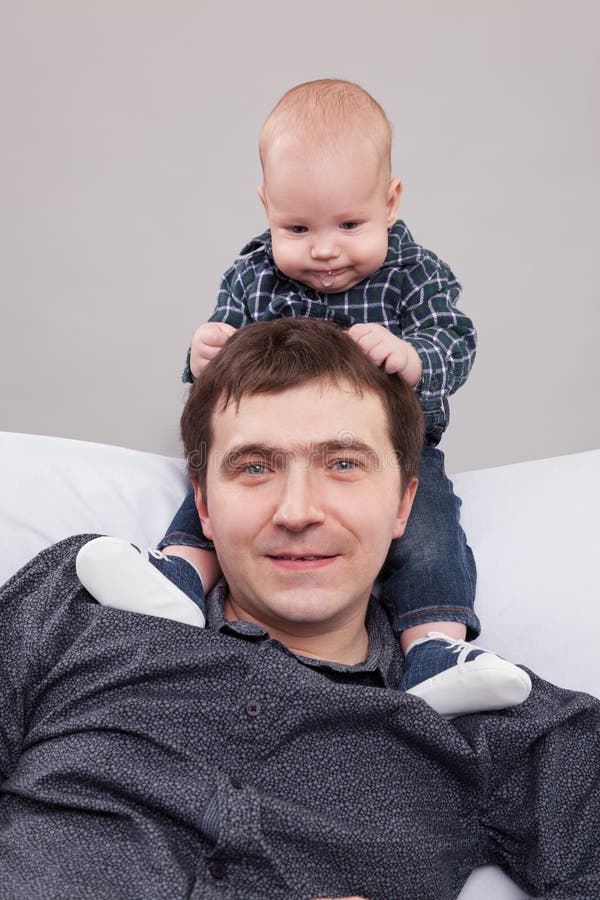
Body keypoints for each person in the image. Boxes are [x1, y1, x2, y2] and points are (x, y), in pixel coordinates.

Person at [2, 319, 599, 899]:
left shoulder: (493, 715)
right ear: (204, 506)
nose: (297, 512)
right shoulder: (82, 603)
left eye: (343, 464)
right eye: (255, 467)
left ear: (403, 505)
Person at [76, 78, 531, 718]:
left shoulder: (414, 273)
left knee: (429, 535)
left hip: (397, 446)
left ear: (391, 200)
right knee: (224, 485)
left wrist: (415, 356)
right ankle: (177, 576)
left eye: (350, 224)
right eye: (296, 226)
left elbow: (456, 337)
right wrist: (203, 355)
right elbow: (216, 374)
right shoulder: (251, 274)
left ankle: (434, 649)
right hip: (266, 430)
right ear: (266, 208)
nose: (323, 249)